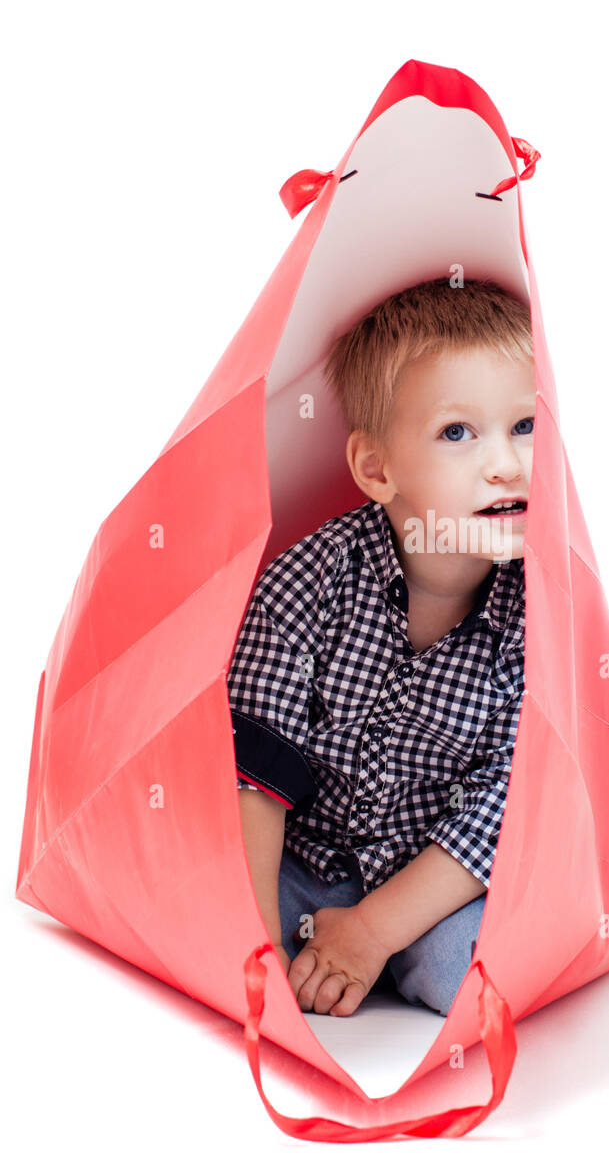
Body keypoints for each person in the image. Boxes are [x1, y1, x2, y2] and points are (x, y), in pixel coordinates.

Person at [227, 275, 533, 1017]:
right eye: (458, 433)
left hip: (430, 883)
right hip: (306, 865)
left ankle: (373, 957)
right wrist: (258, 948)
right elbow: (255, 773)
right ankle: (306, 953)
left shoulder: (540, 615)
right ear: (376, 469)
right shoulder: (311, 581)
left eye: (526, 426)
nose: (507, 465)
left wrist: (373, 928)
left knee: (486, 965)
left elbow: (506, 802)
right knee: (220, 904)